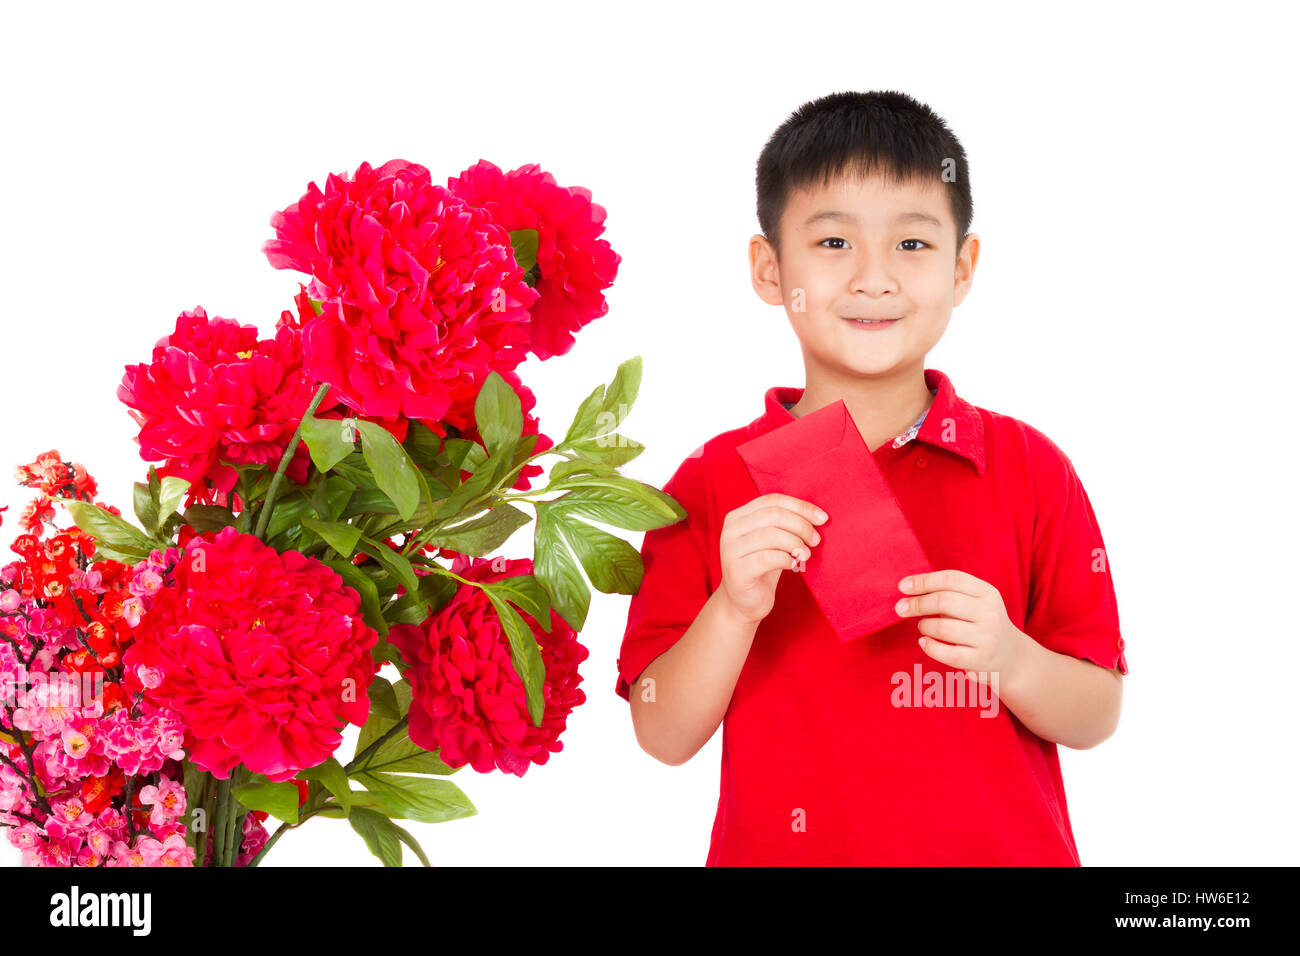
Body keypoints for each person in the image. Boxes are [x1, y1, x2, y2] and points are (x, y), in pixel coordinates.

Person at [616, 90, 1127, 866]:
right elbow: (661, 734)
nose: (875, 279)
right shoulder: (710, 480)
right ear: (768, 267)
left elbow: (1096, 714)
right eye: (832, 243)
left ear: (963, 268)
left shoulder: (1032, 469)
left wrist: (1009, 658)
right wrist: (733, 608)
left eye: (913, 246)